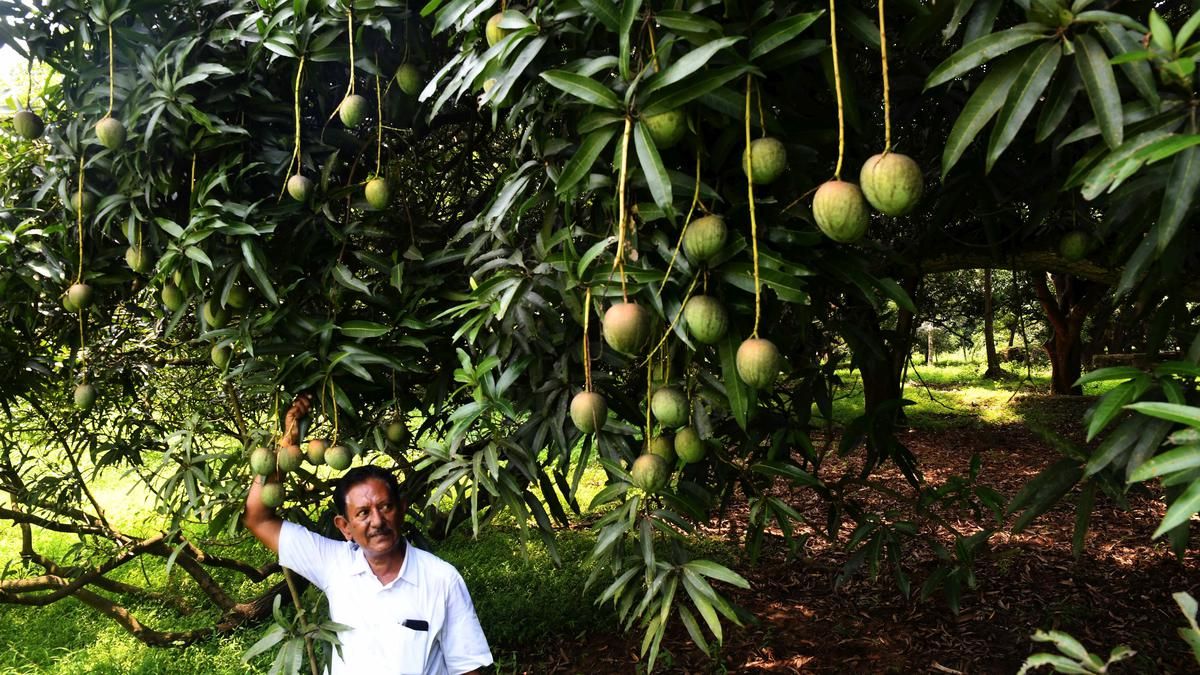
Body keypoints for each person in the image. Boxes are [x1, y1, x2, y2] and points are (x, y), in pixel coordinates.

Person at [245, 394, 493, 675]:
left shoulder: (441, 579)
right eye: (363, 513)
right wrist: (288, 442)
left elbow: (470, 667)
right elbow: (257, 517)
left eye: (385, 507)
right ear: (344, 527)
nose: (377, 521)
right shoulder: (332, 563)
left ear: (401, 510)